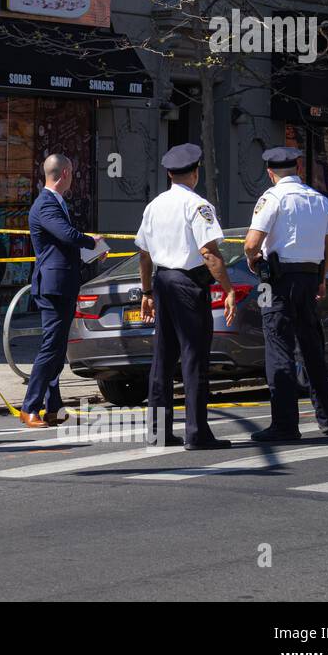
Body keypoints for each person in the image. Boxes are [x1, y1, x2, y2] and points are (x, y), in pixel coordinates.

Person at [135, 144, 236, 451]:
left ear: (168, 173)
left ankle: (158, 432)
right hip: (188, 284)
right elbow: (209, 252)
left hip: (163, 280)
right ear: (195, 172)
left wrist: (147, 291)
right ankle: (197, 432)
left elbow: (143, 254)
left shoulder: (154, 205)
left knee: (163, 358)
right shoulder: (198, 205)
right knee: (193, 357)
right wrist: (229, 289)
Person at [244, 146, 328, 441]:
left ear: (270, 173)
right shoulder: (319, 199)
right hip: (310, 277)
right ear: (298, 167)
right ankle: (327, 417)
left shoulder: (271, 198)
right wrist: (321, 278)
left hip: (279, 280)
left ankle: (285, 424)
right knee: (312, 347)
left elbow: (251, 243)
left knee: (279, 348)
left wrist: (253, 262)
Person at [20, 154, 101, 429]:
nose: (73, 178)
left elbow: (63, 242)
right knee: (50, 347)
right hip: (53, 286)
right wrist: (91, 241)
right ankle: (30, 407)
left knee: (56, 348)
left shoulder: (56, 202)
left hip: (62, 283)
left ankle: (52, 407)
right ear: (65, 173)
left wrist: (90, 249)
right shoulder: (45, 204)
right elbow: (66, 234)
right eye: (73, 173)